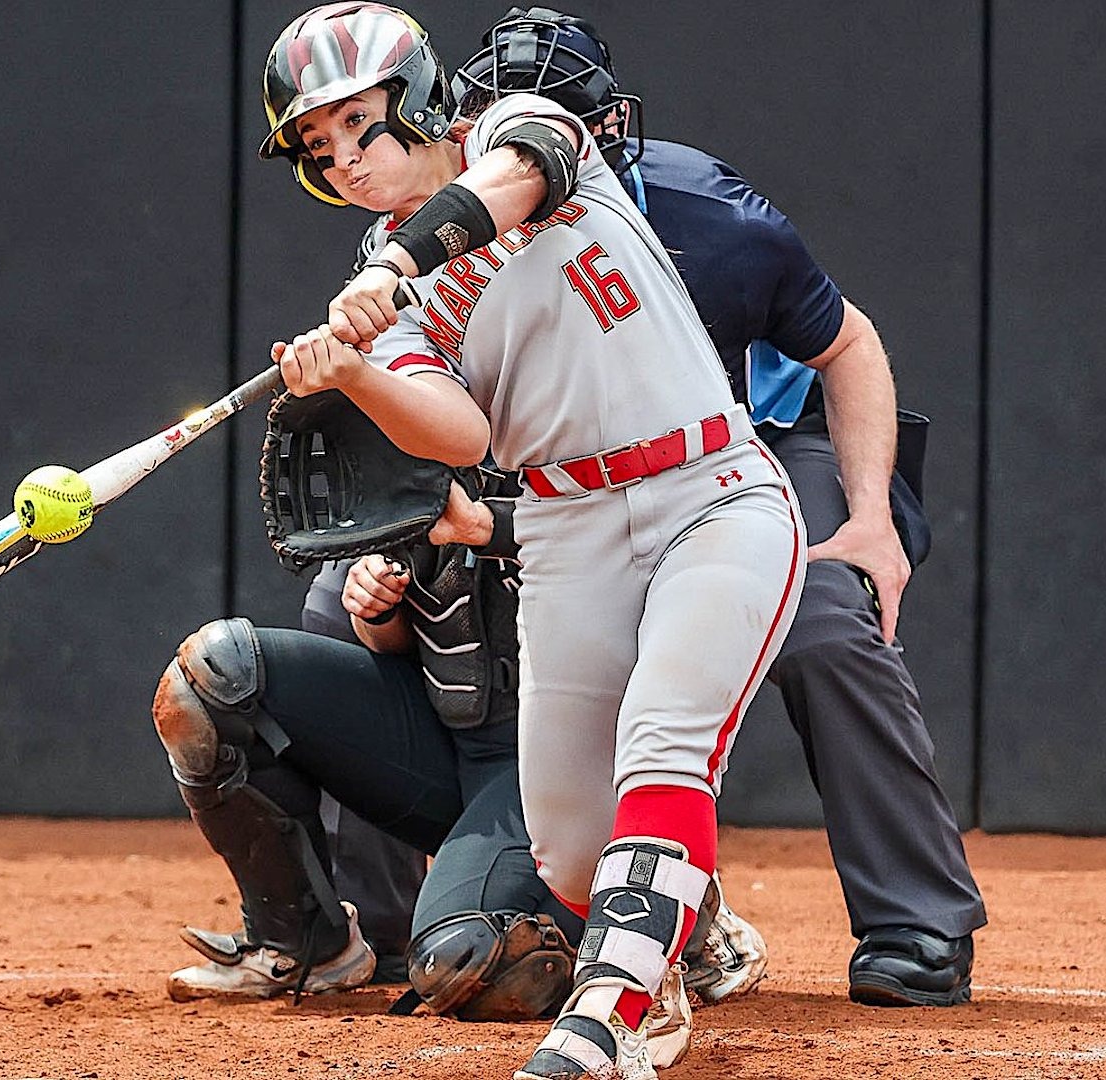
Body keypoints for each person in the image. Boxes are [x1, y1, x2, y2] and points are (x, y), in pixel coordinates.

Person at [260, 5, 806, 1077]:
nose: (347, 158)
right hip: (566, 528)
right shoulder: (389, 284)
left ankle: (607, 1023)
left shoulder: (514, 126)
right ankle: (675, 946)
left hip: (709, 489)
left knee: (664, 739)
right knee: (567, 845)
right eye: (320, 146)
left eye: (359, 123)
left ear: (418, 97)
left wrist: (394, 266)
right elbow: (460, 434)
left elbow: (516, 180)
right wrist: (357, 374)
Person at [447, 6, 987, 1008]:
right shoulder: (454, 245)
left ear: (603, 130)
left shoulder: (710, 217)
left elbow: (847, 343)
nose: (523, 156)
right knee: (366, 599)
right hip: (579, 484)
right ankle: (378, 921)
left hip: (750, 445)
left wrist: (869, 517)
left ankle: (917, 921)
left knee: (825, 620)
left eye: (548, 128)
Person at [150, 462, 768, 1016]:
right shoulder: (419, 434)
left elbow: (628, 541)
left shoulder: (586, 423)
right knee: (214, 676)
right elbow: (401, 643)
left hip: (561, 764)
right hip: (452, 738)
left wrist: (487, 527)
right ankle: (302, 942)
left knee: (461, 959)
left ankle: (664, 904)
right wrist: (379, 609)